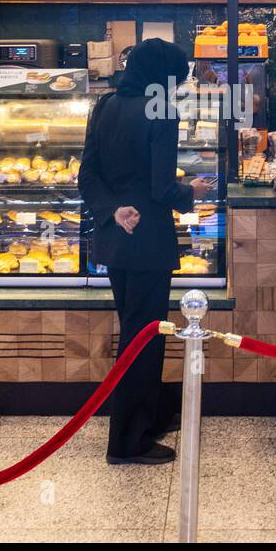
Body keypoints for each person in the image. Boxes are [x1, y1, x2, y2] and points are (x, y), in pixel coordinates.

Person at [78, 38, 212, 466]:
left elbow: (87, 177)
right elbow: (161, 188)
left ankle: (148, 416)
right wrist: (191, 192)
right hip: (149, 239)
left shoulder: (105, 106)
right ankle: (127, 442)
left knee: (134, 330)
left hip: (117, 237)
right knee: (143, 340)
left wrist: (113, 212)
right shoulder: (162, 111)